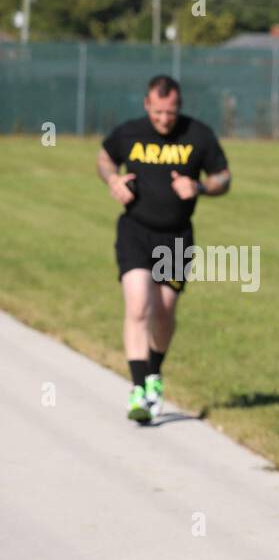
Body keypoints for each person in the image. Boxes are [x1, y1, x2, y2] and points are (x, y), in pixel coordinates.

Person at [98, 74, 231, 422]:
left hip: (175, 238)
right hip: (136, 231)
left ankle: (154, 374)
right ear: (147, 105)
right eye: (157, 112)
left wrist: (199, 187)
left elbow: (224, 178)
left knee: (164, 312)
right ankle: (139, 390)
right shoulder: (129, 133)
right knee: (139, 303)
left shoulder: (197, 135)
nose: (163, 119)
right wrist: (113, 179)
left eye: (169, 112)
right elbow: (104, 157)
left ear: (179, 106)